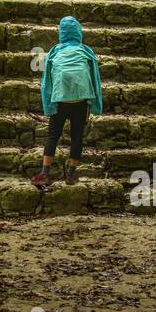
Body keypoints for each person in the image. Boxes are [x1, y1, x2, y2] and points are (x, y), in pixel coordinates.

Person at [31, 15, 103, 187]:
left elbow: (46, 83)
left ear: (61, 33)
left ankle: (44, 173)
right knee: (77, 136)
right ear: (79, 32)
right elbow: (95, 79)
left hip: (60, 99)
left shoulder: (54, 51)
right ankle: (71, 175)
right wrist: (95, 105)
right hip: (81, 99)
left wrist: (49, 106)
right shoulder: (86, 50)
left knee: (52, 135)